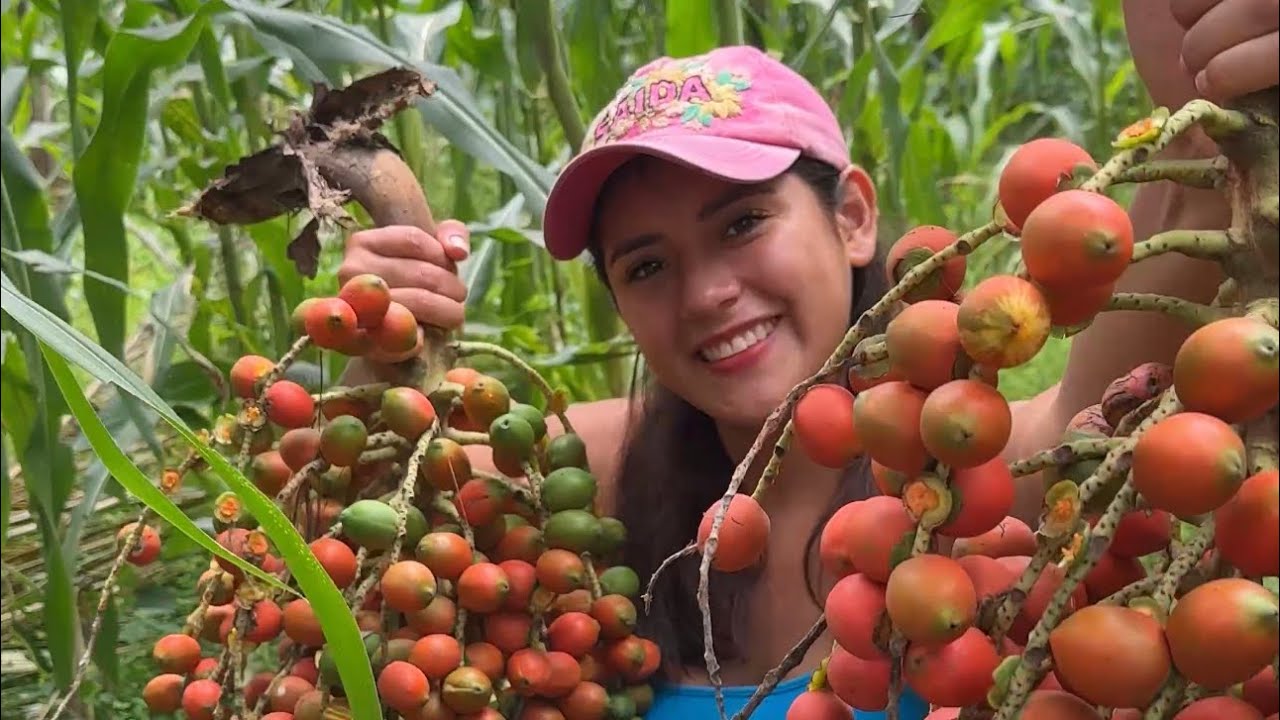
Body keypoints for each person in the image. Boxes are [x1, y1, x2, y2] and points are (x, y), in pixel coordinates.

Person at [337, 1, 1278, 717]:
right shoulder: (589, 480)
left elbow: (1166, 273)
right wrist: (381, 354)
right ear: (619, 303)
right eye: (648, 264)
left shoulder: (975, 472)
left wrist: (1201, 120)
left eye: (743, 222)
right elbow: (383, 529)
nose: (706, 293)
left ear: (854, 215)